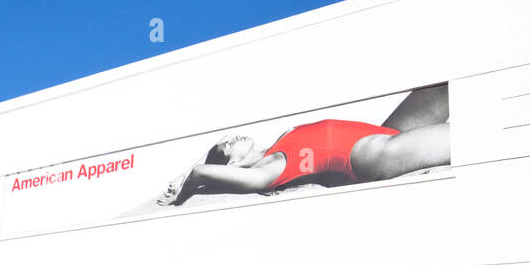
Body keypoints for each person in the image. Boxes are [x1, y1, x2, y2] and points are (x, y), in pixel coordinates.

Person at [157, 84, 450, 205]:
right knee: (474, 134)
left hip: (385, 131)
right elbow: (199, 174)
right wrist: (183, 183)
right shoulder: (268, 170)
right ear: (231, 165)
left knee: (443, 86)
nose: (231, 137)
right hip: (374, 154)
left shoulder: (277, 146)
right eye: (226, 147)